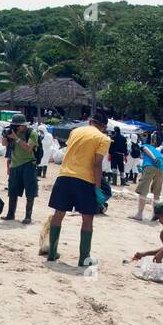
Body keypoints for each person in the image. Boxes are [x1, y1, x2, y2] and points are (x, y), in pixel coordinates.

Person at [46, 112, 110, 266]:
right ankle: (83, 258)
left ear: (89, 121)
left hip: (64, 176)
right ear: (104, 127)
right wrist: (98, 188)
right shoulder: (103, 138)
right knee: (87, 218)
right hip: (85, 180)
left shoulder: (75, 131)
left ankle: (52, 253)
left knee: (58, 214)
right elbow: (97, 164)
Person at [3, 114, 40, 224]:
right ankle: (10, 214)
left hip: (29, 164)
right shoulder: (13, 132)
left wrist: (16, 139)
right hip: (15, 164)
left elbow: (29, 148)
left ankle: (28, 216)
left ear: (23, 125)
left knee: (30, 191)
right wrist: (5, 136)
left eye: (17, 125)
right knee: (12, 190)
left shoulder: (31, 133)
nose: (16, 127)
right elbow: (4, 144)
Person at [133, 136, 163, 221]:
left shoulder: (144, 145)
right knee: (156, 193)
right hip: (161, 169)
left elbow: (146, 149)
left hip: (150, 166)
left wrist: (153, 159)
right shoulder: (157, 150)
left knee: (143, 190)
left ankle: (139, 214)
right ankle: (155, 215)